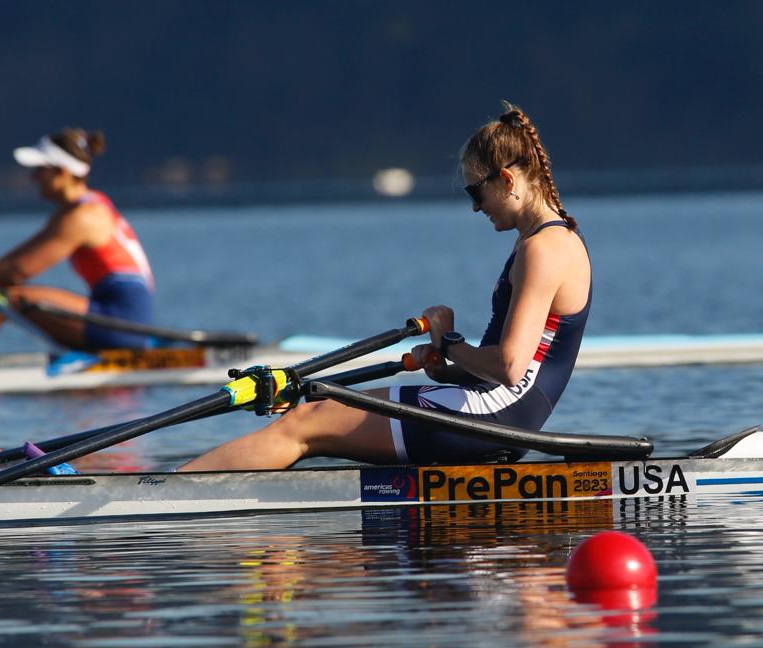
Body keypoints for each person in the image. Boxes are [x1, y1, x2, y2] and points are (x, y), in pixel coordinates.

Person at [179, 103, 590, 471]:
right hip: (498, 412)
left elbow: (510, 366)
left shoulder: (543, 249)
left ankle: (168, 495)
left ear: (505, 179)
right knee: (314, 411)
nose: (474, 206)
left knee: (302, 423)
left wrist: (447, 341)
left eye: (475, 191)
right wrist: (446, 369)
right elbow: (518, 363)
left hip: (497, 416)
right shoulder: (549, 239)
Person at [0, 128, 156, 358]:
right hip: (116, 320)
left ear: (62, 172)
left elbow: (16, 271)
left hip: (121, 323)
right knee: (3, 296)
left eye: (39, 169)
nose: (32, 177)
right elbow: (18, 260)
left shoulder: (84, 216)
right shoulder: (82, 208)